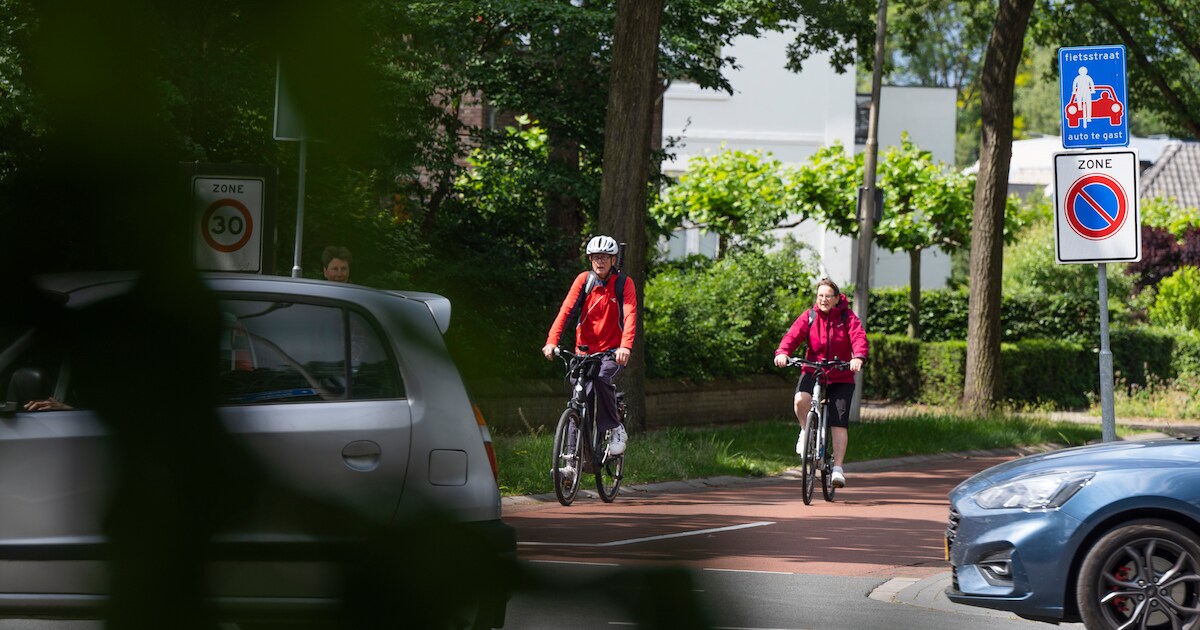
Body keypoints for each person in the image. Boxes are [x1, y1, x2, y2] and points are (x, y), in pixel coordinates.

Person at [542, 235, 637, 464]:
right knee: (579, 396)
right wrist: (552, 341)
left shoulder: (624, 284)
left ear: (613, 259)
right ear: (590, 259)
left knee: (603, 377)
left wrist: (625, 347)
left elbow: (631, 314)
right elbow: (566, 311)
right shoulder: (584, 280)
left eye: (604, 257)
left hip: (611, 351)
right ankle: (571, 461)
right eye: (595, 257)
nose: (599, 261)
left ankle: (615, 428)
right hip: (583, 351)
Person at [773, 278, 868, 488]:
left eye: (828, 296)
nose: (823, 300)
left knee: (838, 422)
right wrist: (782, 352)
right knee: (800, 400)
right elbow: (792, 336)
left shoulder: (847, 317)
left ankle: (838, 469)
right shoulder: (810, 316)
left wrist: (858, 357)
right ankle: (806, 431)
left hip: (840, 373)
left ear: (836, 299)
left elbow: (859, 337)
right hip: (813, 369)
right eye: (820, 296)